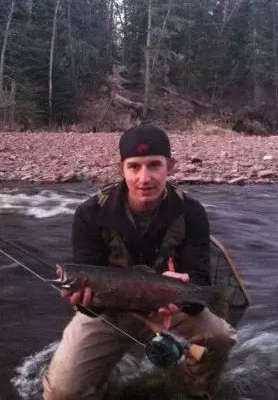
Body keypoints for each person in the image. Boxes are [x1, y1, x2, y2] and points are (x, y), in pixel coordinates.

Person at [42, 124, 237, 400]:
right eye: (134, 167)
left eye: (154, 165)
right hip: (111, 314)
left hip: (168, 308)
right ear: (121, 168)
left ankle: (192, 389)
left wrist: (181, 296)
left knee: (220, 336)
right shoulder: (90, 213)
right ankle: (102, 383)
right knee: (61, 394)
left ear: (170, 165)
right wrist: (86, 303)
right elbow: (91, 308)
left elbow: (199, 281)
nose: (144, 178)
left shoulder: (191, 212)